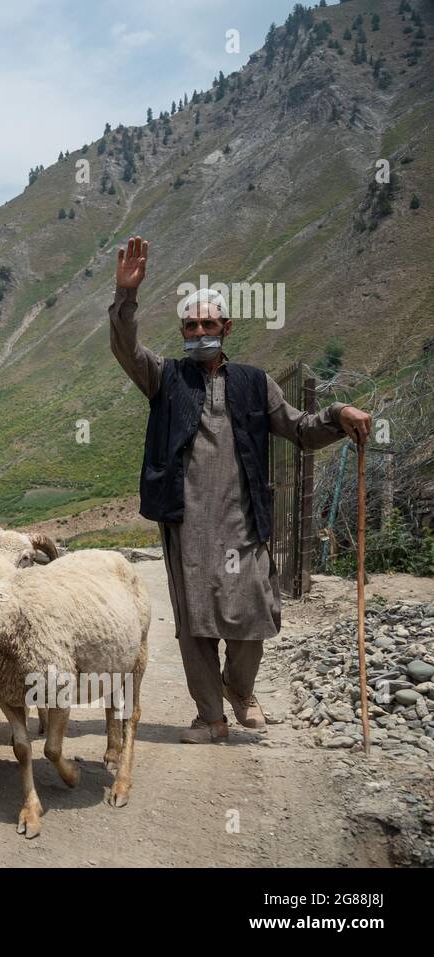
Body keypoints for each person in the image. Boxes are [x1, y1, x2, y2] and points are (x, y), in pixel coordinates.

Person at [109, 236, 372, 743]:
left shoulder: (255, 382)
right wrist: (126, 298)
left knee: (253, 613)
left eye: (209, 324)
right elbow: (125, 347)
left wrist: (339, 415)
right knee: (195, 622)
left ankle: (238, 686)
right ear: (182, 330)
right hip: (186, 522)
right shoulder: (164, 377)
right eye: (191, 325)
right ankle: (210, 717)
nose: (200, 332)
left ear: (227, 328)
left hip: (244, 520)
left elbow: (299, 428)